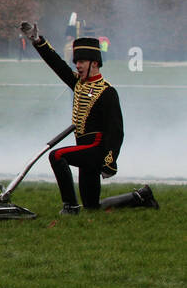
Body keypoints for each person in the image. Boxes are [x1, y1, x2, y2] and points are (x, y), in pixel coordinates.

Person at [20, 22, 156, 213]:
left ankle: (70, 205)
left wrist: (110, 161)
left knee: (57, 156)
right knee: (93, 207)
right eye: (77, 62)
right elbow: (57, 64)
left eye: (82, 62)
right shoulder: (78, 83)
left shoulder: (107, 92)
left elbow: (116, 130)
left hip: (95, 150)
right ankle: (141, 197)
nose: (77, 65)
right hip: (83, 150)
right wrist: (37, 41)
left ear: (94, 63)